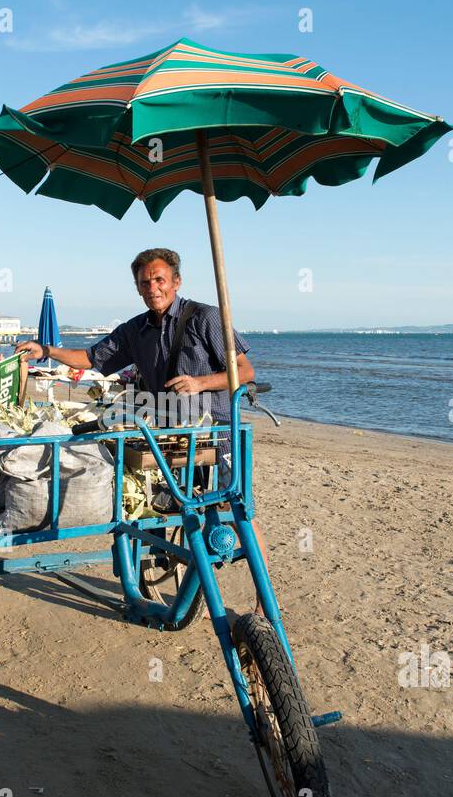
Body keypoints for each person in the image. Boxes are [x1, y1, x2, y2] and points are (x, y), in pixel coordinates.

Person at [15, 247, 271, 615]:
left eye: (160, 279)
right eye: (145, 282)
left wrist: (200, 383)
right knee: (153, 506)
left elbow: (245, 372)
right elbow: (90, 359)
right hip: (165, 437)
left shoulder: (207, 318)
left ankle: (264, 607)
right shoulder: (135, 330)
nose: (153, 287)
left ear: (176, 281)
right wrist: (46, 350)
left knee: (238, 512)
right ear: (138, 288)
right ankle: (149, 579)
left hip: (217, 434)